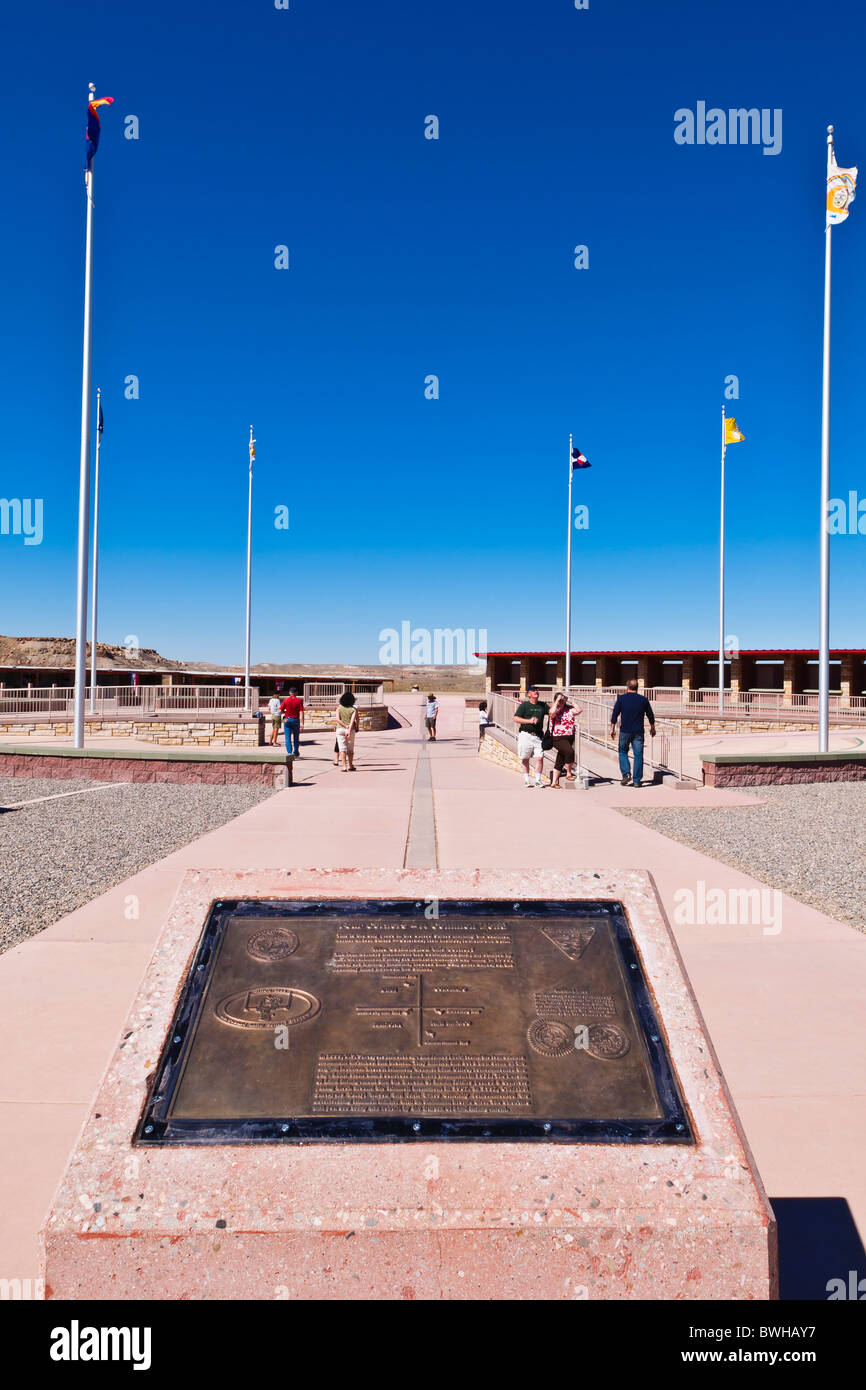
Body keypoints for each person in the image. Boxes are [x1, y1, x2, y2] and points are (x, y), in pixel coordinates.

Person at [609, 679, 656, 787]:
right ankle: (637, 781)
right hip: (638, 732)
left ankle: (626, 774)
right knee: (638, 755)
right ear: (637, 688)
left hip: (625, 731)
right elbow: (650, 715)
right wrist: (652, 728)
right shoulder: (643, 700)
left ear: (627, 687)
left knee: (622, 752)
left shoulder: (621, 699)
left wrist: (612, 729)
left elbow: (615, 714)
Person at [514, 685, 549, 787]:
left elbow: (552, 713)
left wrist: (558, 702)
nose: (536, 692)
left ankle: (538, 780)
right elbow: (516, 718)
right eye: (533, 690)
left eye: (537, 690)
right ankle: (527, 779)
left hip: (538, 736)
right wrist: (529, 721)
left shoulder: (543, 705)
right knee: (525, 758)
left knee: (540, 758)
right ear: (529, 694)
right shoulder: (524, 705)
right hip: (525, 735)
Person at [548, 691, 582, 787]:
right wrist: (557, 701)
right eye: (560, 700)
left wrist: (570, 701)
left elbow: (579, 710)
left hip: (570, 737)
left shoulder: (569, 709)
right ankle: (568, 773)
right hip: (558, 738)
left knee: (560, 759)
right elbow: (551, 713)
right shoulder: (555, 710)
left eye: (563, 700)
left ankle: (554, 782)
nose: (562, 702)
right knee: (569, 752)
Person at [335, 691, 359, 771]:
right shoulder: (353, 709)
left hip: (340, 729)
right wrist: (349, 728)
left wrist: (345, 726)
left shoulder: (339, 708)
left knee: (342, 748)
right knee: (350, 748)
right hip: (350, 730)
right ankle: (350, 765)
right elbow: (353, 720)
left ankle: (344, 766)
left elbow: (337, 719)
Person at [279, 686, 305, 758]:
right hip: (295, 720)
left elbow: (279, 711)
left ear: (289, 693)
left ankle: (289, 753)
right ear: (296, 693)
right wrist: (302, 724)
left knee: (287, 738)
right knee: (296, 737)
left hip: (287, 719)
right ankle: (296, 752)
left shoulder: (286, 700)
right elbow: (301, 713)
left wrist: (285, 713)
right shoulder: (299, 701)